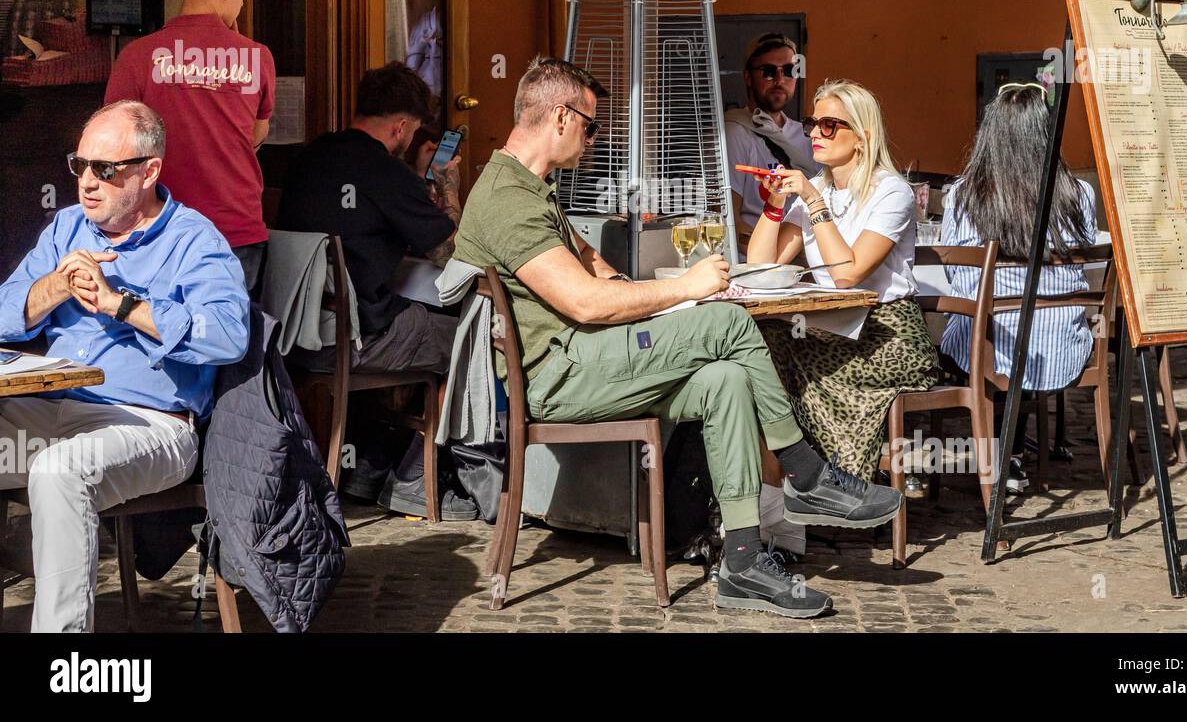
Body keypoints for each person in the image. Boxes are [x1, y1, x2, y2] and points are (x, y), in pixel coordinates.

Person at [453, 56, 902, 619]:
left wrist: (660, 301)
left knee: (727, 377)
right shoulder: (508, 200)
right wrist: (682, 289)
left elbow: (593, 268)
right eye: (592, 127)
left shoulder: (529, 188)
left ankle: (741, 559)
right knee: (729, 320)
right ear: (562, 118)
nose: (594, 142)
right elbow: (584, 302)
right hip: (562, 374)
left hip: (584, 358)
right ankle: (806, 474)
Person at [0, 101, 250, 632]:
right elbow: (3, 312)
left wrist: (121, 304)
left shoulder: (194, 240)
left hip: (149, 425)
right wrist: (57, 287)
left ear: (150, 170)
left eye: (105, 170)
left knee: (58, 472)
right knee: (50, 462)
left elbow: (229, 336)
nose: (88, 182)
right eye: (80, 165)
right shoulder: (67, 228)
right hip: (51, 407)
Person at [276, 62, 464, 518]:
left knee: (393, 314)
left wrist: (413, 181)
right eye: (413, 129)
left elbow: (363, 215)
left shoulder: (310, 156)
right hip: (350, 343)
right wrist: (448, 188)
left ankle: (367, 467)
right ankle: (414, 478)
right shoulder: (386, 172)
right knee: (468, 337)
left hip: (291, 339)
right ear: (402, 126)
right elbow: (447, 248)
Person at [746, 79, 939, 481]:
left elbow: (849, 274)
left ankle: (806, 486)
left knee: (773, 363)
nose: (814, 132)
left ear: (862, 136)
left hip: (887, 335)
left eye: (829, 125)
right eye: (812, 122)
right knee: (759, 352)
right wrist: (776, 203)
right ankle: (782, 495)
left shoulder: (891, 192)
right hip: (829, 329)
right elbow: (761, 267)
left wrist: (814, 204)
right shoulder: (817, 187)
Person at [939, 82, 1097, 493]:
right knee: (1020, 327)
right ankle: (1010, 452)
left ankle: (1000, 452)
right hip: (1062, 349)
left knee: (980, 328)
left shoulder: (962, 196)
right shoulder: (1079, 194)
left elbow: (956, 278)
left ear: (989, 134)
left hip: (989, 349)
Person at [104, 0, 276, 293]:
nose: (241, 6)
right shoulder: (256, 56)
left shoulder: (137, 56)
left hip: (156, 232)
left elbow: (111, 146)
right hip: (234, 229)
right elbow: (256, 135)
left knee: (155, 336)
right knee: (227, 341)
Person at [723, 33, 817, 240]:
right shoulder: (735, 132)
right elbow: (728, 222)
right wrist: (773, 258)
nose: (779, 80)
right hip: (758, 263)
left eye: (789, 71)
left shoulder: (810, 134)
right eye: (768, 71)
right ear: (748, 77)